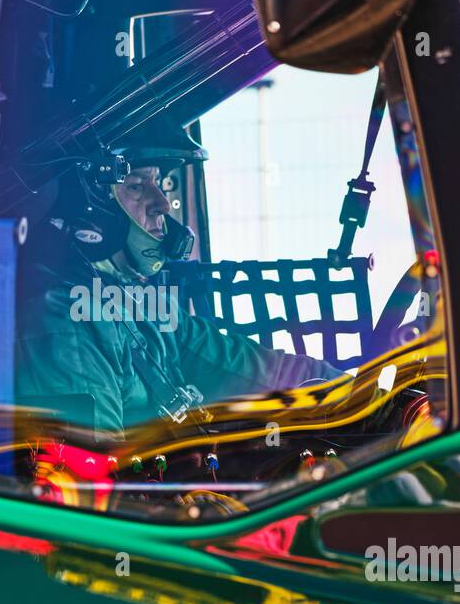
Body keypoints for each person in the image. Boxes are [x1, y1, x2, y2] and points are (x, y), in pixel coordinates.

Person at [17, 141, 342, 439]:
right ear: (91, 210)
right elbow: (90, 475)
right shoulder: (65, 322)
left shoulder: (142, 306)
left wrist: (359, 393)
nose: (161, 203)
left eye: (157, 184)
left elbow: (256, 369)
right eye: (136, 186)